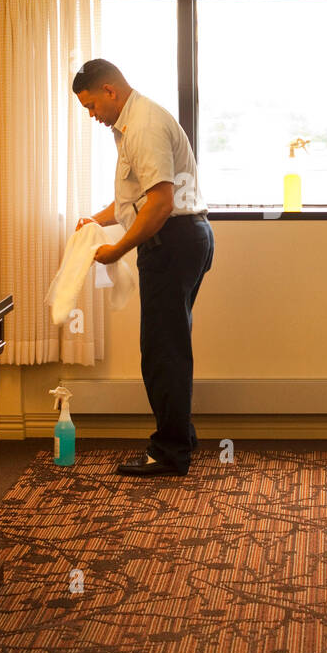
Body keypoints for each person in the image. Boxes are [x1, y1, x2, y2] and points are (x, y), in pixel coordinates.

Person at [73, 58, 212, 477]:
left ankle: (169, 451)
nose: (92, 116)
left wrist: (116, 250)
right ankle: (180, 437)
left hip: (172, 241)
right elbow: (135, 200)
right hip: (183, 239)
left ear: (110, 91)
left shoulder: (145, 126)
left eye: (92, 106)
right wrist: (99, 221)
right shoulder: (133, 124)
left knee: (161, 352)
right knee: (169, 346)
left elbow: (161, 203)